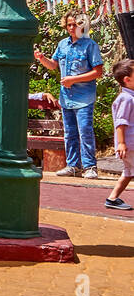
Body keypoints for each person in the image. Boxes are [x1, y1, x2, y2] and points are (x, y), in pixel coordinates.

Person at [34, 13, 105, 179]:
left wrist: (74, 79)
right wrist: (42, 58)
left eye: (75, 25)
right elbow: (53, 65)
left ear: (82, 26)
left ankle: (89, 166)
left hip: (84, 97)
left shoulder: (90, 45)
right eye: (69, 25)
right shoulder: (62, 45)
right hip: (66, 98)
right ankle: (73, 165)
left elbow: (98, 72)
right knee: (70, 133)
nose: (72, 28)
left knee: (85, 131)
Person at [0, 88, 57, 158]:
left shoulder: (15, 89)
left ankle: (9, 158)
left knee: (8, 135)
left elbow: (29, 96)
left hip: (9, 123)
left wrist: (45, 95)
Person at [105, 60, 134, 210]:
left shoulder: (130, 97)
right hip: (130, 144)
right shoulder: (126, 98)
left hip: (129, 144)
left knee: (129, 172)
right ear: (127, 80)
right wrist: (122, 143)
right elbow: (120, 123)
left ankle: (112, 198)